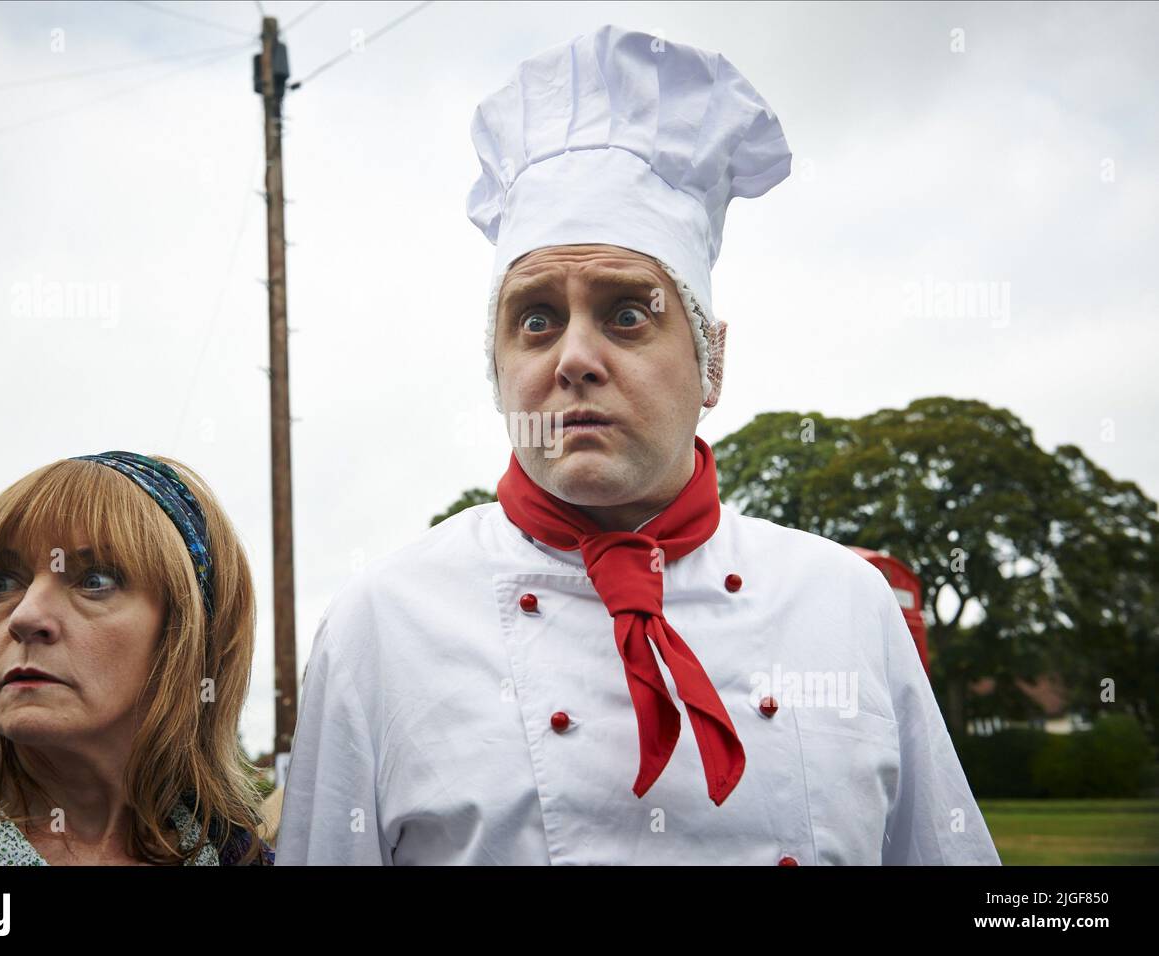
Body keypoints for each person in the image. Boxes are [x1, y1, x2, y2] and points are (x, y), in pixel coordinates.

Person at [275, 24, 1001, 865]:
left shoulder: (846, 605)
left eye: (627, 313)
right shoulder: (381, 626)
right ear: (498, 369)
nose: (575, 358)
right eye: (536, 318)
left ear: (712, 363)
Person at [0, 452, 273, 865]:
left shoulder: (241, 859)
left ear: (186, 634)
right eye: (1, 583)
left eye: (95, 580)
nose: (24, 616)